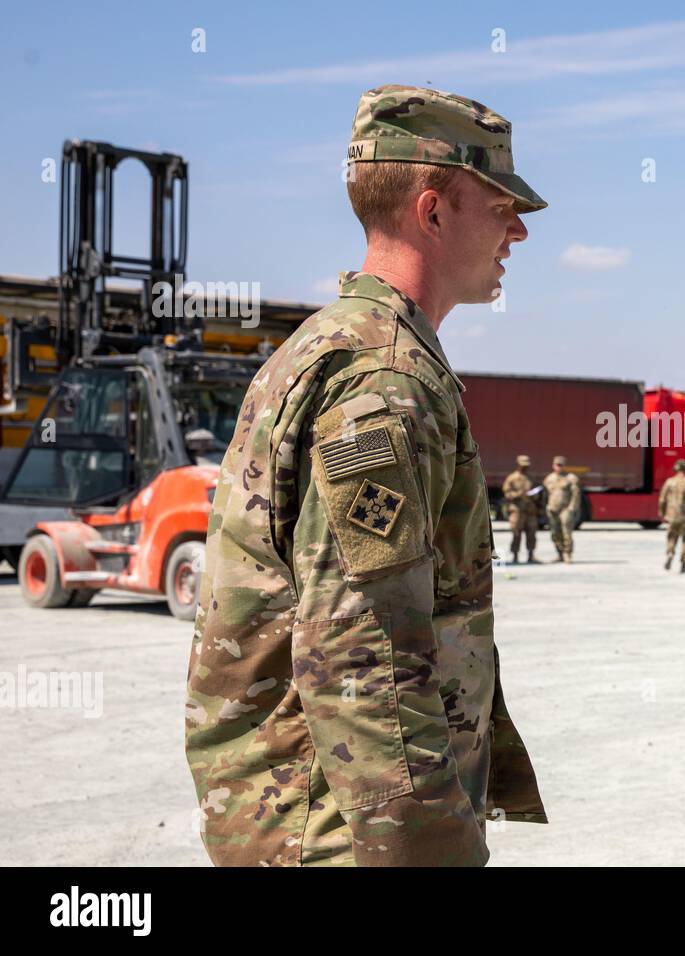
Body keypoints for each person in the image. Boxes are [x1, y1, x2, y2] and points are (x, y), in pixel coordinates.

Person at [185, 85, 548, 867]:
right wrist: (436, 852)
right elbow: (364, 656)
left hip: (307, 818)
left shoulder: (338, 345)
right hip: (344, 836)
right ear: (434, 211)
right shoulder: (384, 379)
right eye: (500, 202)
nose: (518, 228)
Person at [542, 455, 581, 563]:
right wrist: (546, 507)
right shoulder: (549, 478)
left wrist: (572, 508)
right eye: (557, 465)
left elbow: (576, 494)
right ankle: (559, 553)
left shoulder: (571, 478)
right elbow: (545, 494)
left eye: (561, 465)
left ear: (564, 466)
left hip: (565, 509)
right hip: (552, 509)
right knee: (555, 533)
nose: (559, 467)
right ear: (553, 466)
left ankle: (568, 554)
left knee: (566, 532)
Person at [502, 454, 539, 563]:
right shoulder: (512, 478)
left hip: (530, 511)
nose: (525, 467)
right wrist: (518, 494)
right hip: (517, 511)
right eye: (523, 465)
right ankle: (515, 556)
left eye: (527, 465)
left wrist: (534, 495)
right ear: (518, 464)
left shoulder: (531, 477)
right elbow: (507, 494)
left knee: (531, 534)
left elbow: (537, 492)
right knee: (516, 534)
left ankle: (531, 555)